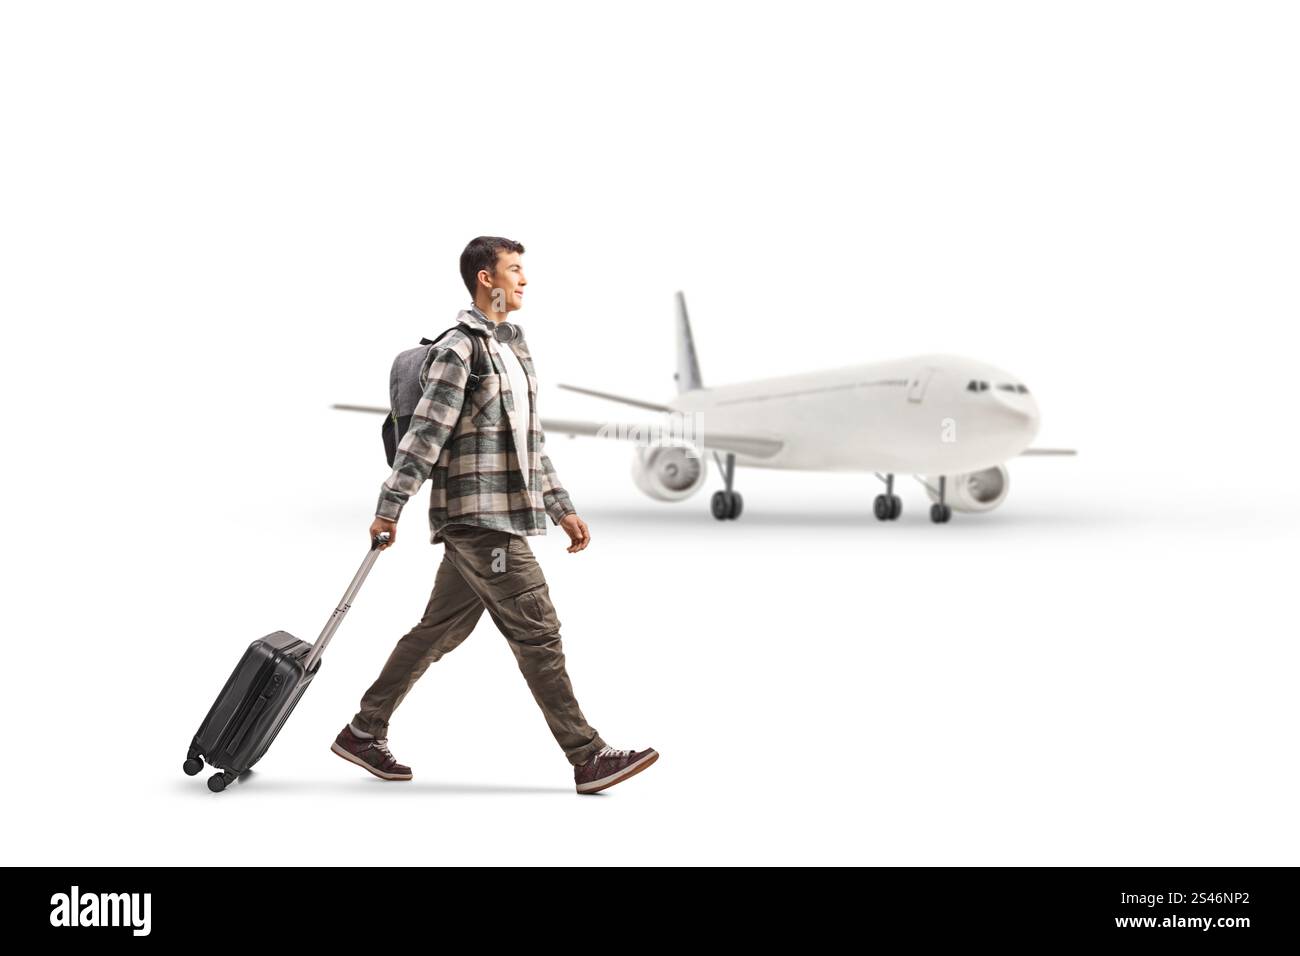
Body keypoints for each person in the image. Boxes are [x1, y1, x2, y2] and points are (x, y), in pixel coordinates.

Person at [331, 236, 658, 795]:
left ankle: (364, 730)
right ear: (486, 279)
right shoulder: (460, 349)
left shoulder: (515, 348)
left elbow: (529, 443)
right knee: (538, 630)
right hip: (479, 518)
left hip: (502, 514)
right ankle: (588, 755)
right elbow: (425, 436)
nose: (524, 280)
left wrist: (561, 505)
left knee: (436, 631)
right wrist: (390, 507)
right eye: (514, 270)